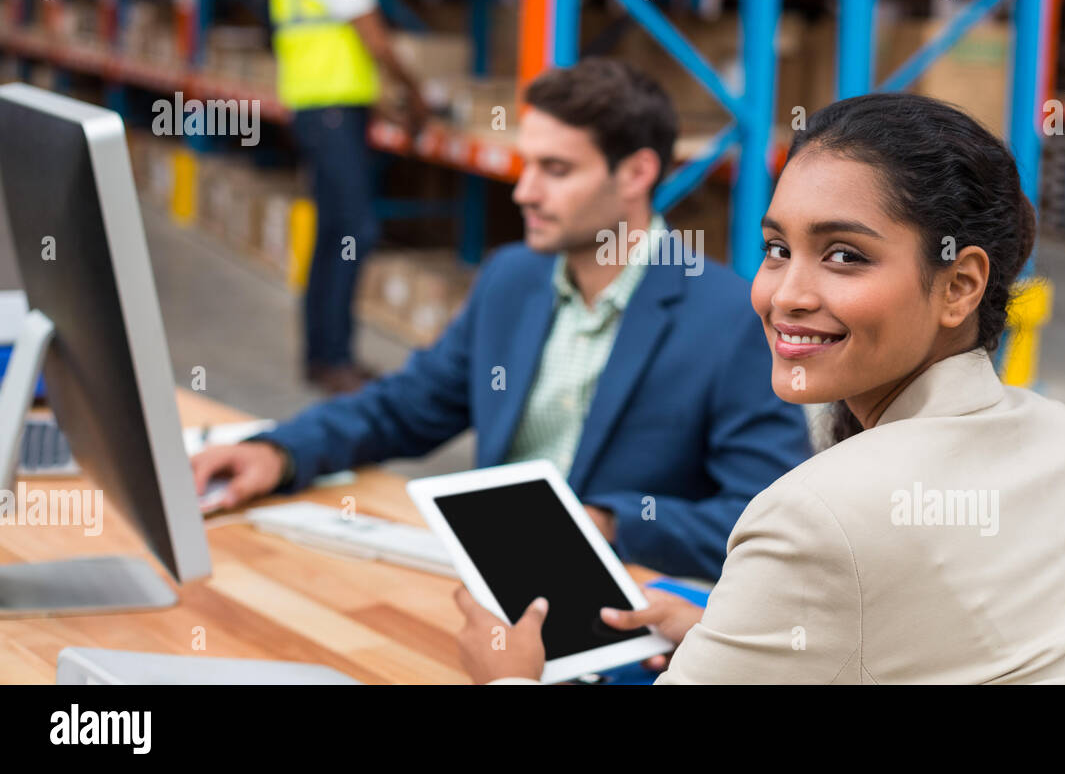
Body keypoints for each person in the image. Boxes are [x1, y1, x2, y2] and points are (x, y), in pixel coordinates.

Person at [455, 92, 1065, 684]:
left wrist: (511, 677)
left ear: (959, 286)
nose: (786, 295)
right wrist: (737, 643)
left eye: (845, 255)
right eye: (778, 249)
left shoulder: (816, 515)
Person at [192, 58, 813, 581]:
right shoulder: (512, 279)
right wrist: (280, 452)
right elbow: (404, 407)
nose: (524, 192)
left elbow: (760, 520)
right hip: (485, 588)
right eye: (527, 164)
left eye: (556, 170)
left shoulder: (730, 319)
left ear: (637, 173)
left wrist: (608, 522)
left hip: (619, 609)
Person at [268, 0, 431, 394]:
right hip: (332, 114)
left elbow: (335, 49)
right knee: (353, 231)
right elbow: (374, 37)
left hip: (322, 109)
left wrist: (378, 101)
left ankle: (323, 355)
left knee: (334, 230)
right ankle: (333, 357)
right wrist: (414, 92)